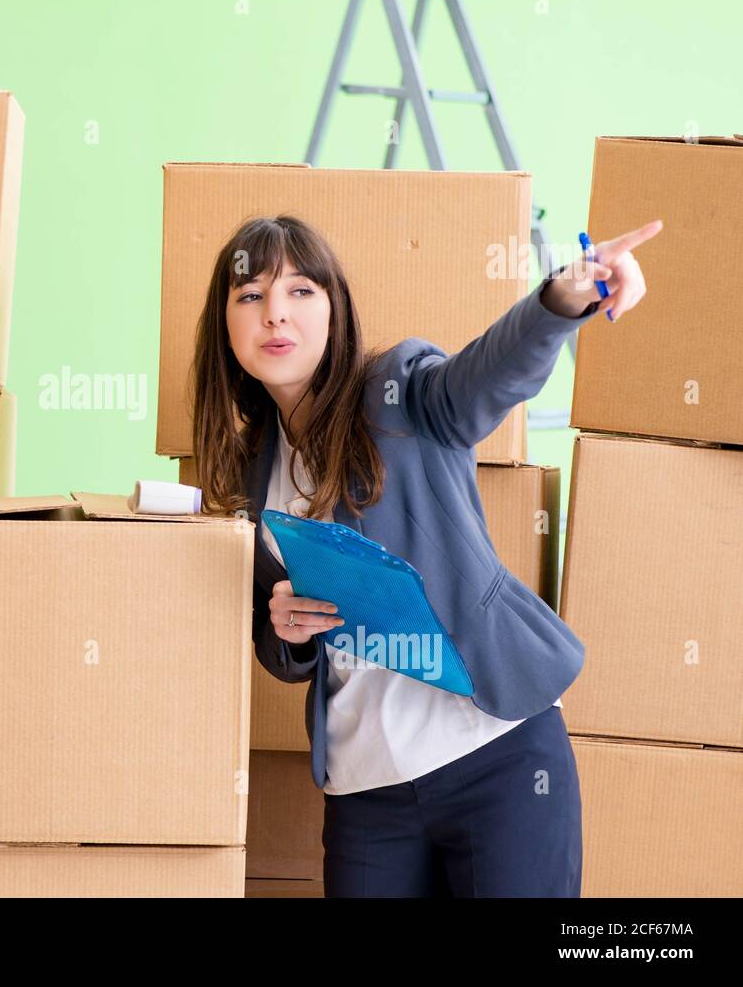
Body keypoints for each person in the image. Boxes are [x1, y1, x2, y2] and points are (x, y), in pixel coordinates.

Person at [189, 213, 660, 897]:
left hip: (496, 756)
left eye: (300, 291)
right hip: (365, 791)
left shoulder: (399, 390)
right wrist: (284, 630)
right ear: (225, 327)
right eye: (250, 297)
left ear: (334, 308)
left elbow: (482, 378)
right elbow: (278, 638)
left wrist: (560, 298)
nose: (275, 315)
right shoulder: (250, 472)